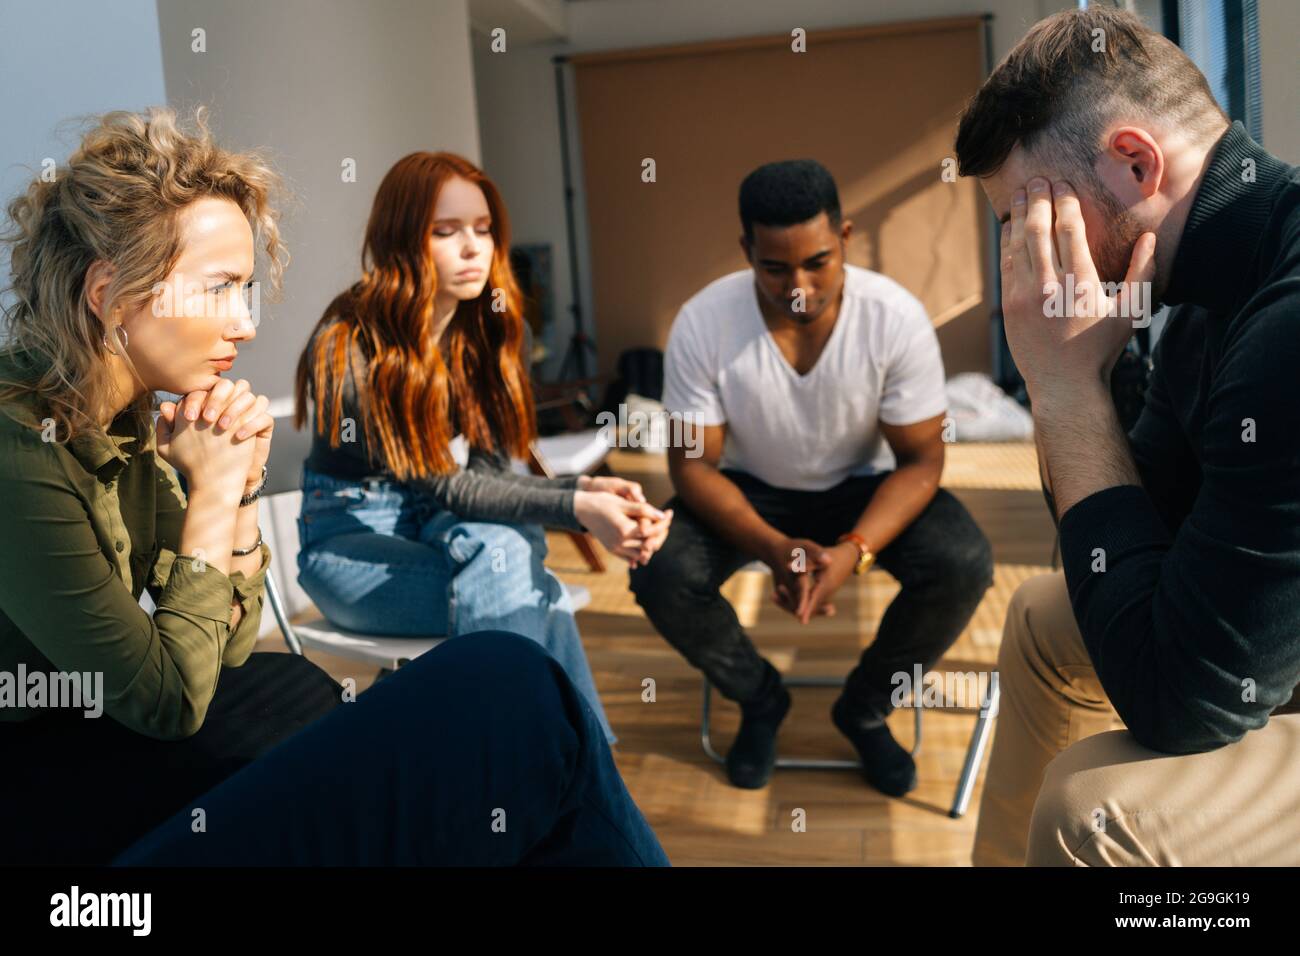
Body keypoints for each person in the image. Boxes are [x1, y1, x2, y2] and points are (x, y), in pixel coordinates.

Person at [0, 108, 668, 867]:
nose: (245, 326)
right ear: (111, 293)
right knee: (508, 682)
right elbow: (167, 698)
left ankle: (544, 773)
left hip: (110, 731)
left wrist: (237, 490)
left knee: (353, 679)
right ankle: (544, 768)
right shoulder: (21, 452)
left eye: (246, 291)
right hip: (43, 792)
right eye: (219, 289)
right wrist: (217, 493)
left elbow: (236, 635)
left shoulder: (132, 419)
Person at [953, 7, 1300, 865]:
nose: (1019, 258)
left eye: (1024, 216)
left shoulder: (1285, 327)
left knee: (1090, 812)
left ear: (1136, 164)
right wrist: (1083, 378)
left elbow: (1180, 702)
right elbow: (1129, 522)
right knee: (1044, 617)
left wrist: (1064, 389)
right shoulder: (1211, 287)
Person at [629, 159, 994, 794]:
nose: (797, 285)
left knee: (963, 561)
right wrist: (773, 549)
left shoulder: (895, 318)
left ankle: (865, 708)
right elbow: (691, 467)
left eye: (816, 262)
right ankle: (761, 697)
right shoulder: (701, 323)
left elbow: (922, 463)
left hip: (863, 488)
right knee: (658, 567)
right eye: (774, 267)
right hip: (748, 492)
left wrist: (853, 552)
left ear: (845, 238)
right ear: (747, 251)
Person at [293, 152, 673, 746]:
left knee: (504, 552)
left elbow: (489, 476)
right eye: (445, 232)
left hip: (441, 526)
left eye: (483, 228)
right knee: (520, 575)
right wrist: (577, 507)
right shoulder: (349, 343)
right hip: (349, 548)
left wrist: (587, 489)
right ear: (400, 239)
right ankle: (563, 771)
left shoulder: (482, 329)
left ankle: (514, 775)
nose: (473, 247)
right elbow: (446, 485)